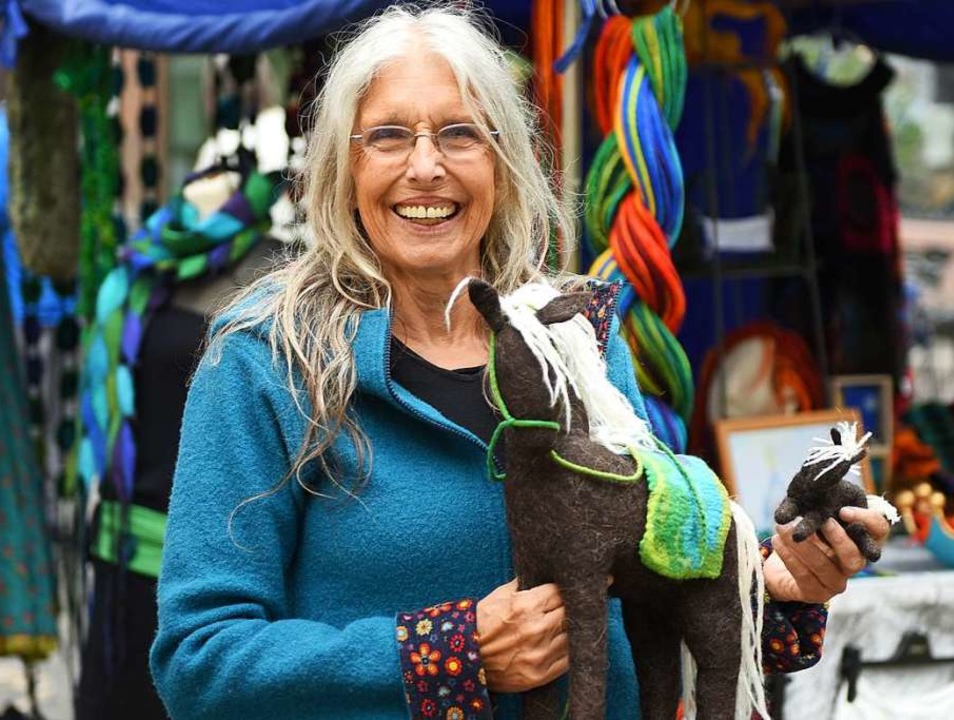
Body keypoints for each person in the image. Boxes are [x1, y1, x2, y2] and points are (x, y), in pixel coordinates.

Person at [150, 7, 891, 720]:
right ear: (342, 167)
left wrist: (772, 582)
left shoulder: (576, 338)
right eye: (388, 137)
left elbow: (649, 577)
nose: (425, 167)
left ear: (503, 163)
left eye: (459, 134)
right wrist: (451, 653)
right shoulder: (268, 360)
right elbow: (199, 661)